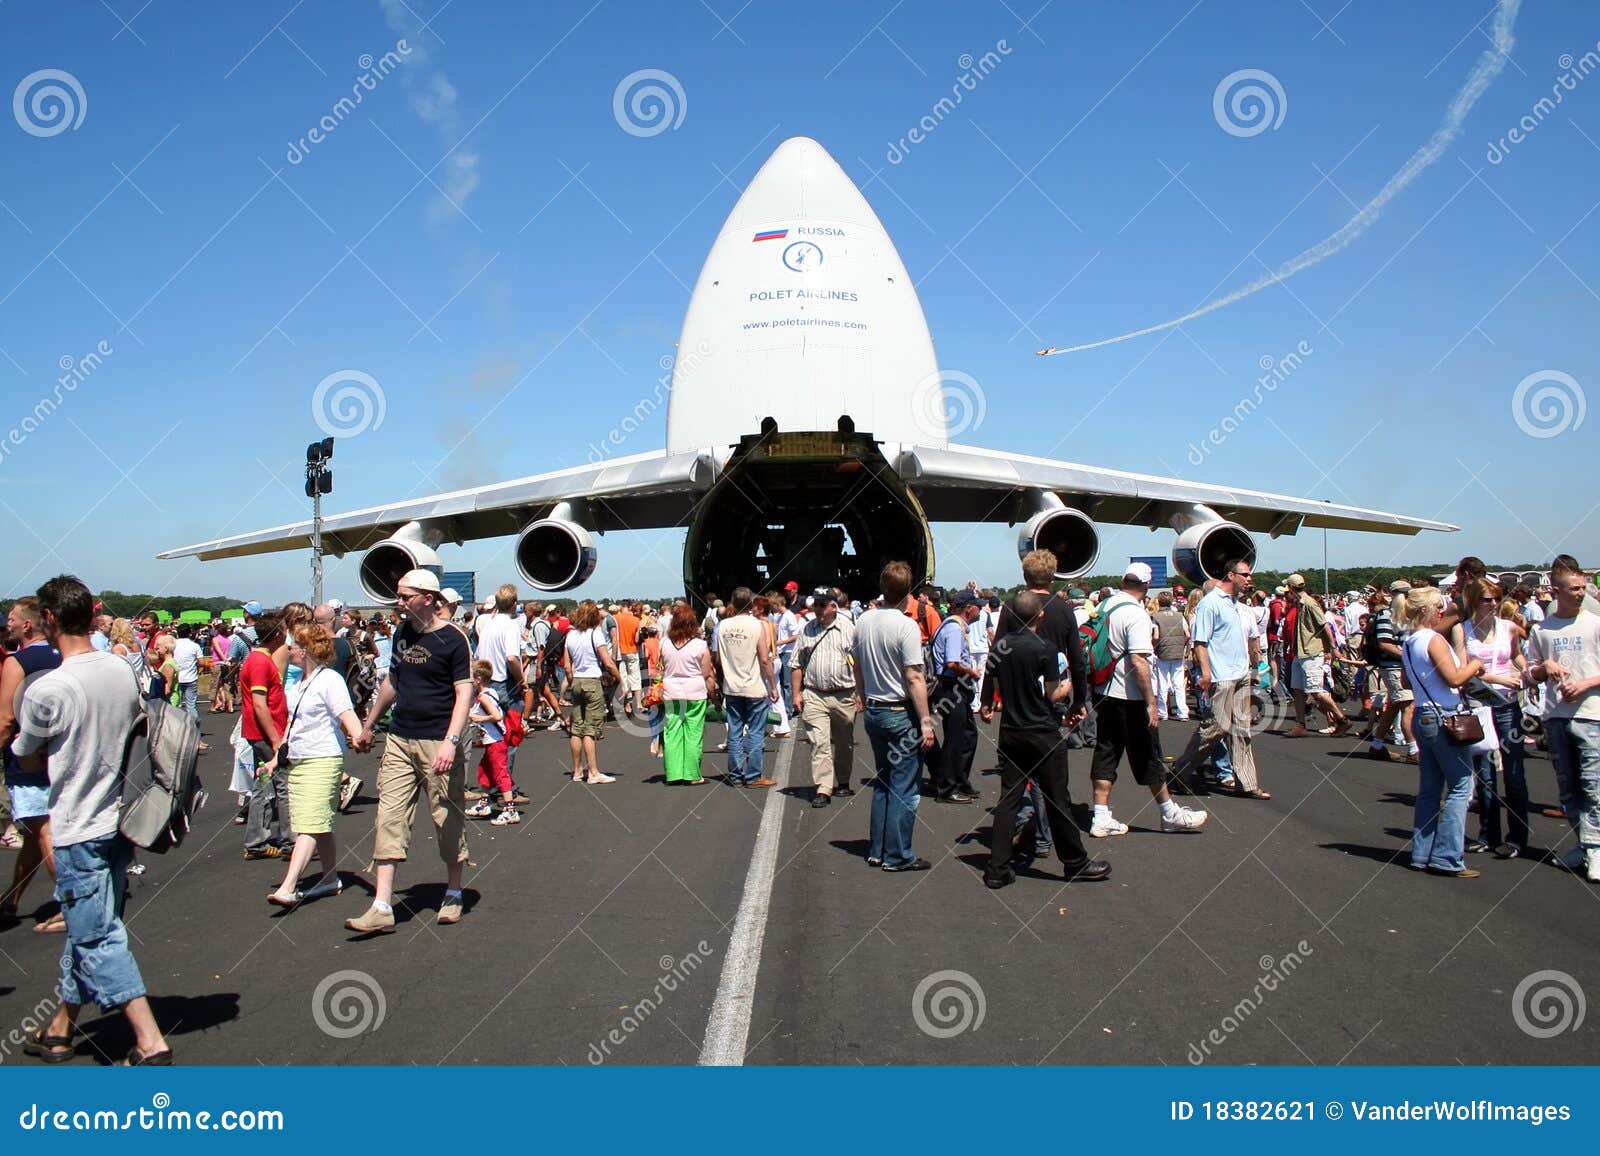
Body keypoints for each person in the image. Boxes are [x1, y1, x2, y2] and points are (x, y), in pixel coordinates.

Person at [14, 576, 171, 1065]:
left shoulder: (51, 688)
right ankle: (60, 1028)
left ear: (51, 620)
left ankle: (149, 1041)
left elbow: (26, 756)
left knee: (98, 935)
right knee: (92, 927)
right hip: (121, 817)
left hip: (79, 823)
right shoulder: (120, 670)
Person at [347, 569, 473, 934]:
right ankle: (382, 905)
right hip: (400, 737)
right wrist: (370, 724)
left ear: (429, 599)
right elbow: (393, 682)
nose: (398, 603)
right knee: (389, 817)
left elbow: (464, 693)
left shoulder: (453, 639)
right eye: (398, 596)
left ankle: (452, 892)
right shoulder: (402, 633)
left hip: (438, 740)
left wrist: (451, 740)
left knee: (446, 818)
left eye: (405, 596)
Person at [980, 590, 1111, 888]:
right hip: (1041, 731)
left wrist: (987, 700)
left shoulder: (1000, 646)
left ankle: (997, 867)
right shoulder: (1046, 649)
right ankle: (1074, 862)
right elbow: (1052, 694)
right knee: (1057, 798)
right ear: (1040, 616)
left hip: (1012, 730)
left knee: (1009, 798)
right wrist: (1069, 688)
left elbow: (991, 675)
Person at [1088, 563, 1208, 836]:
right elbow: (1138, 660)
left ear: (1123, 579)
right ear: (1146, 585)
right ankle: (1169, 813)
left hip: (1104, 691)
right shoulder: (1137, 614)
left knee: (1106, 751)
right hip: (1129, 695)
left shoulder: (1105, 606)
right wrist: (1151, 702)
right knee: (1149, 755)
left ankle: (1100, 815)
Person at [264, 623, 361, 908]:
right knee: (318, 823)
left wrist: (358, 735)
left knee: (308, 824)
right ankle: (330, 877)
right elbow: (293, 727)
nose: (289, 649)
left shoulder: (329, 679)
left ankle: (289, 885)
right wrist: (275, 757)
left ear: (305, 650)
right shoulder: (298, 684)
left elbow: (346, 713)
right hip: (299, 759)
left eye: (293, 645)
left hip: (323, 758)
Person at [854, 562, 937, 872]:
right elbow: (915, 676)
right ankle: (899, 854)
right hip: (899, 711)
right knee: (905, 785)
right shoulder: (906, 626)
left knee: (883, 781)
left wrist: (862, 697)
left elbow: (857, 665)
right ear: (909, 591)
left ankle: (878, 849)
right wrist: (926, 721)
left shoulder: (863, 621)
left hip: (874, 708)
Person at [1398, 587, 1485, 878]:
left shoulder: (1409, 641)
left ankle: (1422, 853)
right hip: (1443, 714)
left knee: (1429, 789)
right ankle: (1447, 856)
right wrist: (1474, 665)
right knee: (1461, 787)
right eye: (1439, 607)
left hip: (1423, 713)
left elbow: (1406, 681)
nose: (1442, 611)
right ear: (1426, 611)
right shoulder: (1433, 640)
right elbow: (1454, 677)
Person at [1526, 555, 1600, 879]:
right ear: (1555, 589)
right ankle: (1585, 846)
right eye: (1574, 588)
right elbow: (1529, 673)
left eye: (1583, 587)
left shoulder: (1595, 624)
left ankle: (1595, 850)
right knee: (1568, 788)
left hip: (1591, 714)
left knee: (1594, 786)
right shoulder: (1542, 629)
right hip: (1556, 716)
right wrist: (1544, 669)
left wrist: (1585, 683)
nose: (1581, 593)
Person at [1449, 576, 1528, 858]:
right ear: (1473, 602)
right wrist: (1498, 678)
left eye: (1497, 599)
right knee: (1484, 772)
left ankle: (1517, 837)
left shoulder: (1509, 628)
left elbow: (1517, 656)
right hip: (1480, 703)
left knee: (1514, 770)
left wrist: (1525, 671)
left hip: (1507, 704)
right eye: (1487, 600)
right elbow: (1463, 668)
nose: (1493, 604)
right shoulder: (1462, 630)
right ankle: (1488, 833)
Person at [1173, 560, 1266, 798]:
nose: (1249, 579)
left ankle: (1247, 783)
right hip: (1221, 676)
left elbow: (1249, 641)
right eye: (1245, 575)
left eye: (1249, 575)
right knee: (1215, 728)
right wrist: (1205, 674)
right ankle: (1179, 772)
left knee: (1241, 731)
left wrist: (1253, 670)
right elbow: (1200, 643)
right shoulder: (1210, 604)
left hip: (1241, 674)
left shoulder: (1238, 605)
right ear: (1230, 575)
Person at [1, 597, 63, 931]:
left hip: (28, 759)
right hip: (59, 753)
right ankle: (11, 899)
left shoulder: (18, 661)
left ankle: (71, 904)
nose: (7, 623)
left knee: (44, 830)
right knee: (35, 830)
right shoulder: (61, 656)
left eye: (11, 618)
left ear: (26, 625)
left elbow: (6, 719)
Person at [792, 587, 860, 807]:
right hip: (815, 694)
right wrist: (796, 693)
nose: (818, 609)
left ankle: (843, 782)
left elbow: (859, 664)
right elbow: (796, 664)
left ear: (834, 607)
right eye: (816, 605)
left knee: (844, 742)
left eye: (822, 605)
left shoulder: (849, 629)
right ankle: (823, 788)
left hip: (844, 694)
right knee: (819, 743)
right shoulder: (807, 630)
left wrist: (861, 693)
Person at [241, 612, 294, 861]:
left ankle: (257, 841)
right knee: (283, 784)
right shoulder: (261, 662)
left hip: (258, 731)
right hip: (266, 733)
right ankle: (289, 840)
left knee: (262, 784)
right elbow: (260, 704)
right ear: (276, 634)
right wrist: (275, 738)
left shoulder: (258, 659)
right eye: (283, 630)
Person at [927, 590, 983, 803]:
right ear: (968, 608)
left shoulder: (953, 626)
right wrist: (972, 672)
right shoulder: (954, 629)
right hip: (950, 686)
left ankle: (959, 780)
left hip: (951, 686)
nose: (980, 609)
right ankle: (947, 787)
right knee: (956, 737)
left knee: (968, 734)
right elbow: (952, 663)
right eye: (977, 605)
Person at [719, 588, 779, 787]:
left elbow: (719, 657)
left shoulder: (724, 625)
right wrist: (772, 685)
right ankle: (754, 775)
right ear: (751, 603)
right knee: (755, 732)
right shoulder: (757, 625)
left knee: (735, 732)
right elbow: (764, 659)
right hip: (753, 686)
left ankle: (736, 775)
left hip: (732, 686)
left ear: (733, 604)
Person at [562, 600, 620, 785]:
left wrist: (572, 682)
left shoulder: (570, 635)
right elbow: (608, 662)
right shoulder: (595, 634)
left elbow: (567, 666)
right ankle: (593, 771)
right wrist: (620, 679)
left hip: (577, 681)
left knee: (576, 728)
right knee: (591, 728)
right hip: (591, 680)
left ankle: (577, 770)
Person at [1285, 574, 1350, 737]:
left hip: (1312, 652)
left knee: (1316, 691)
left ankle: (1342, 719)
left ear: (1292, 589)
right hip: (1300, 652)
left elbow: (1324, 626)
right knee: (1297, 689)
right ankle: (1300, 724)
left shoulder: (1310, 603)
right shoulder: (1300, 603)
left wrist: (1332, 648)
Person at [660, 605, 716, 786]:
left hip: (671, 692)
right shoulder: (700, 646)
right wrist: (712, 693)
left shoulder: (664, 642)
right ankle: (692, 775)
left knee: (672, 732)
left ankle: (674, 773)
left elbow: (661, 667)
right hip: (694, 692)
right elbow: (706, 672)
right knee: (693, 734)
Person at [464, 661, 520, 825]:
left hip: (496, 741)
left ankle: (510, 810)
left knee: (500, 772)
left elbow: (497, 716)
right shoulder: (490, 692)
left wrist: (479, 718)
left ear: (478, 679)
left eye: (471, 679)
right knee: (485, 770)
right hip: (491, 741)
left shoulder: (483, 698)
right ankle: (484, 802)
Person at [1150, 590, 1190, 721]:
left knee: (1162, 683)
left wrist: (1154, 647)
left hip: (1163, 652)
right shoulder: (1179, 615)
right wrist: (1182, 645)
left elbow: (1156, 636)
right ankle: (1182, 712)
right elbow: (1187, 634)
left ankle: (1163, 712)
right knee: (1178, 684)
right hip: (1178, 652)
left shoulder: (1156, 617)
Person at [614, 601, 642, 718]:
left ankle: (628, 704)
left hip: (621, 652)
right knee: (635, 677)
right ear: (629, 607)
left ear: (620, 608)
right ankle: (639, 704)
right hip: (632, 650)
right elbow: (636, 639)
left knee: (624, 679)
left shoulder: (615, 619)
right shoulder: (636, 620)